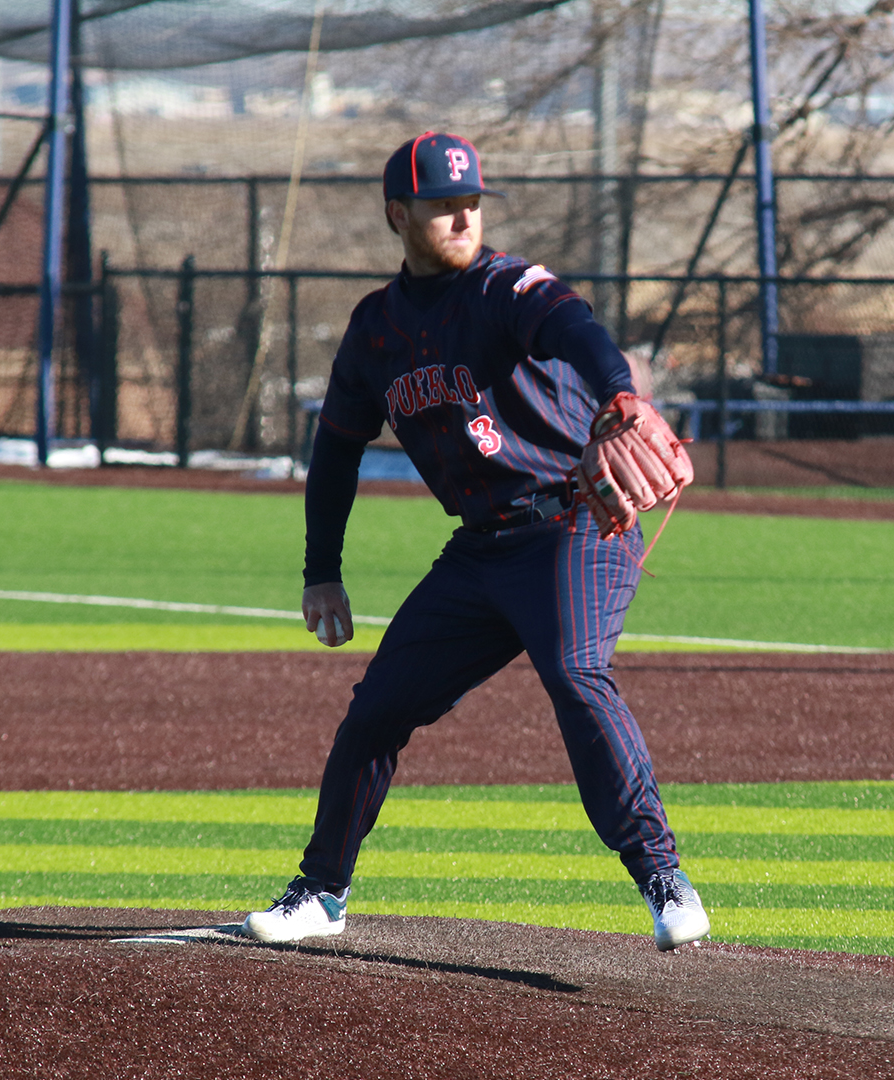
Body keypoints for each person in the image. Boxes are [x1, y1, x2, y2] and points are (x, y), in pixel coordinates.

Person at [241, 132, 710, 951]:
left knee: (574, 671)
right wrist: (322, 572)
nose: (462, 214)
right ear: (399, 214)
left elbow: (576, 328)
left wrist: (622, 395)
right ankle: (321, 892)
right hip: (481, 552)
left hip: (575, 523)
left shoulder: (505, 286)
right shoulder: (376, 329)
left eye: (471, 201)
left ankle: (661, 873)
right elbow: (337, 451)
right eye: (441, 203)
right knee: (377, 710)